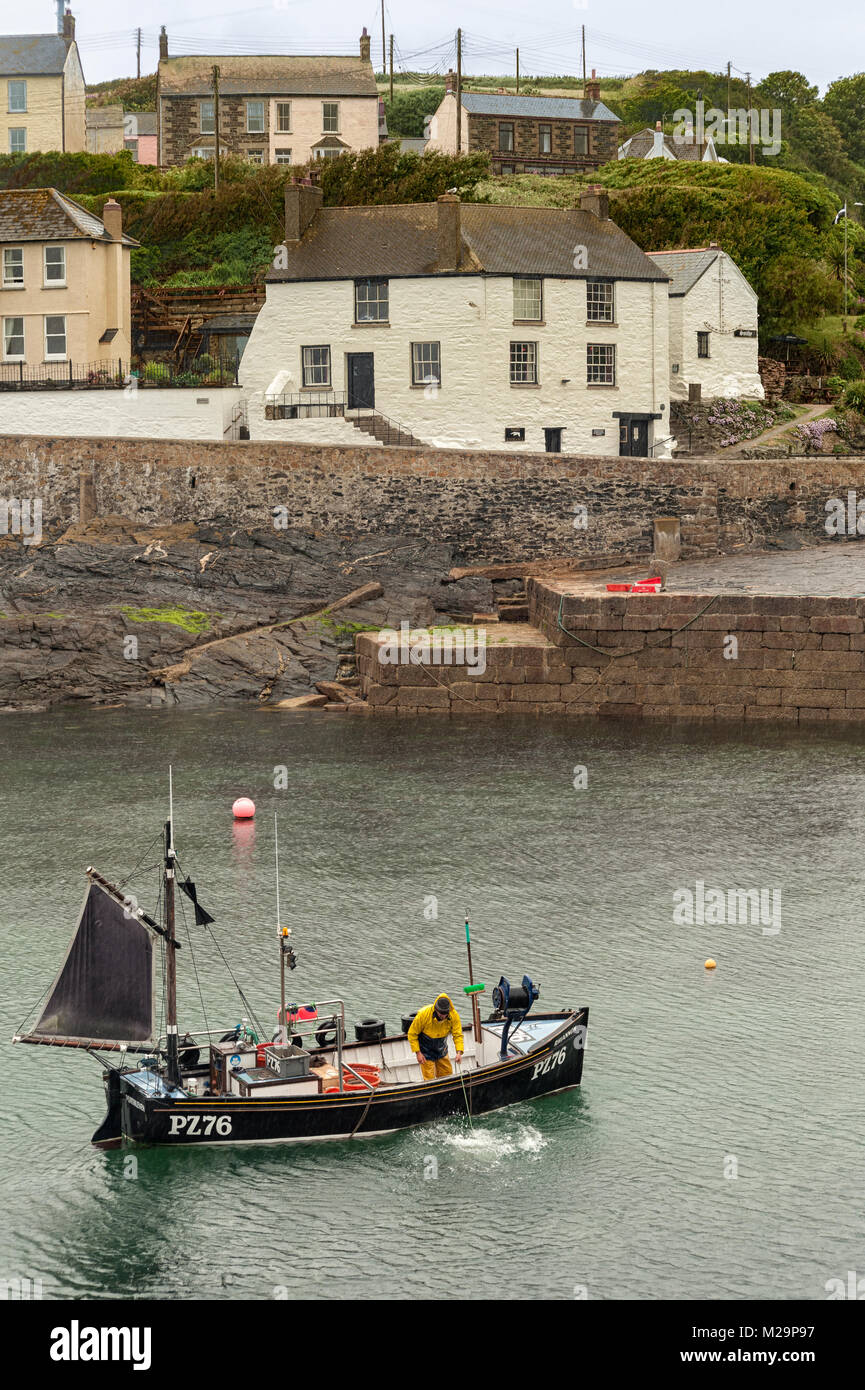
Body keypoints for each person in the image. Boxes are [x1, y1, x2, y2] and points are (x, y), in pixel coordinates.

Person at [408, 994, 464, 1080]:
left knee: (447, 1075)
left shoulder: (454, 1016)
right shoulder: (423, 1014)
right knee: (429, 1078)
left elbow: (458, 1035)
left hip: (441, 1049)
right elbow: (412, 1034)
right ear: (436, 1009)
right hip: (425, 1050)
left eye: (445, 1014)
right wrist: (418, 1053)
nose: (443, 1016)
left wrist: (459, 1052)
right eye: (441, 1013)